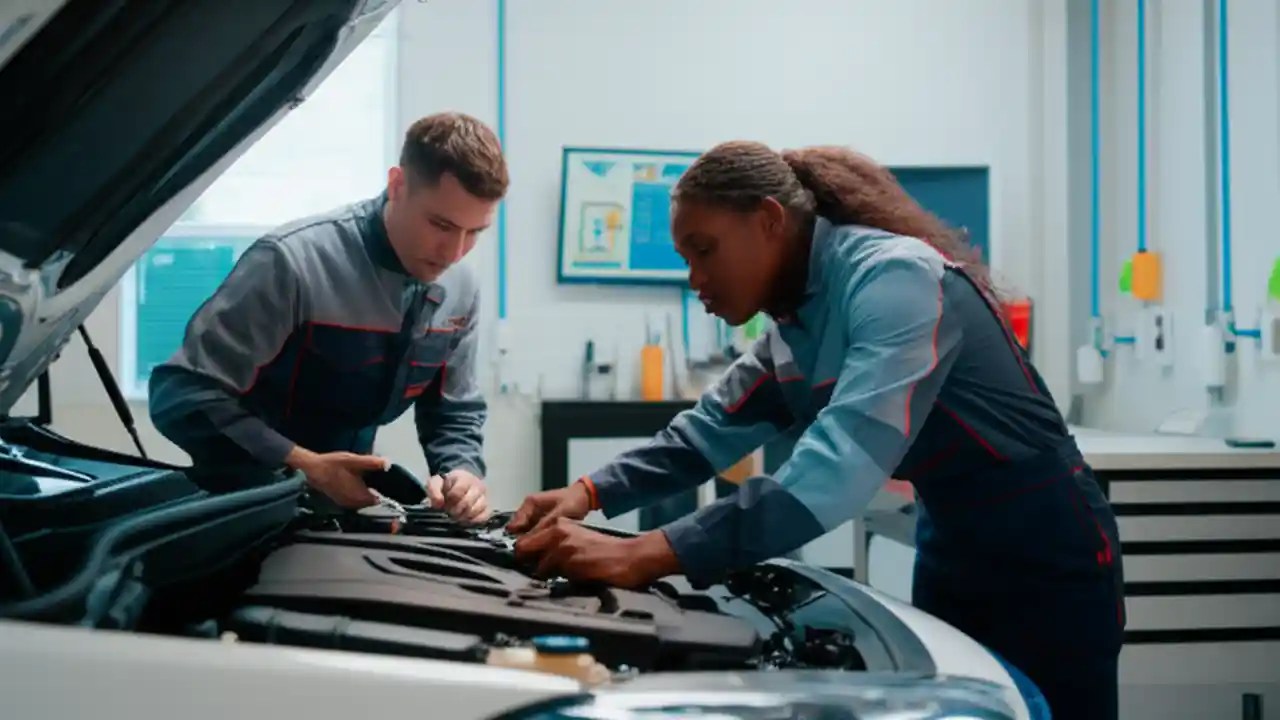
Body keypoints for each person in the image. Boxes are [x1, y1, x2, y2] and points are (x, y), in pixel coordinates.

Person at [507, 141, 1124, 718]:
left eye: (704, 250)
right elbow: (706, 433)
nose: (694, 279)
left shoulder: (895, 280)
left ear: (769, 221)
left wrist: (644, 553)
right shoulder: (793, 321)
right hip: (952, 546)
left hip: (1046, 550)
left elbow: (836, 472)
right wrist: (586, 493)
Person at [149, 112, 506, 524]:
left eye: (475, 231)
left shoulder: (460, 285)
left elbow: (452, 410)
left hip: (341, 511)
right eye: (440, 224)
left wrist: (462, 473)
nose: (454, 252)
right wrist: (305, 466)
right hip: (239, 508)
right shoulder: (293, 264)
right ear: (397, 186)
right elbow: (181, 395)